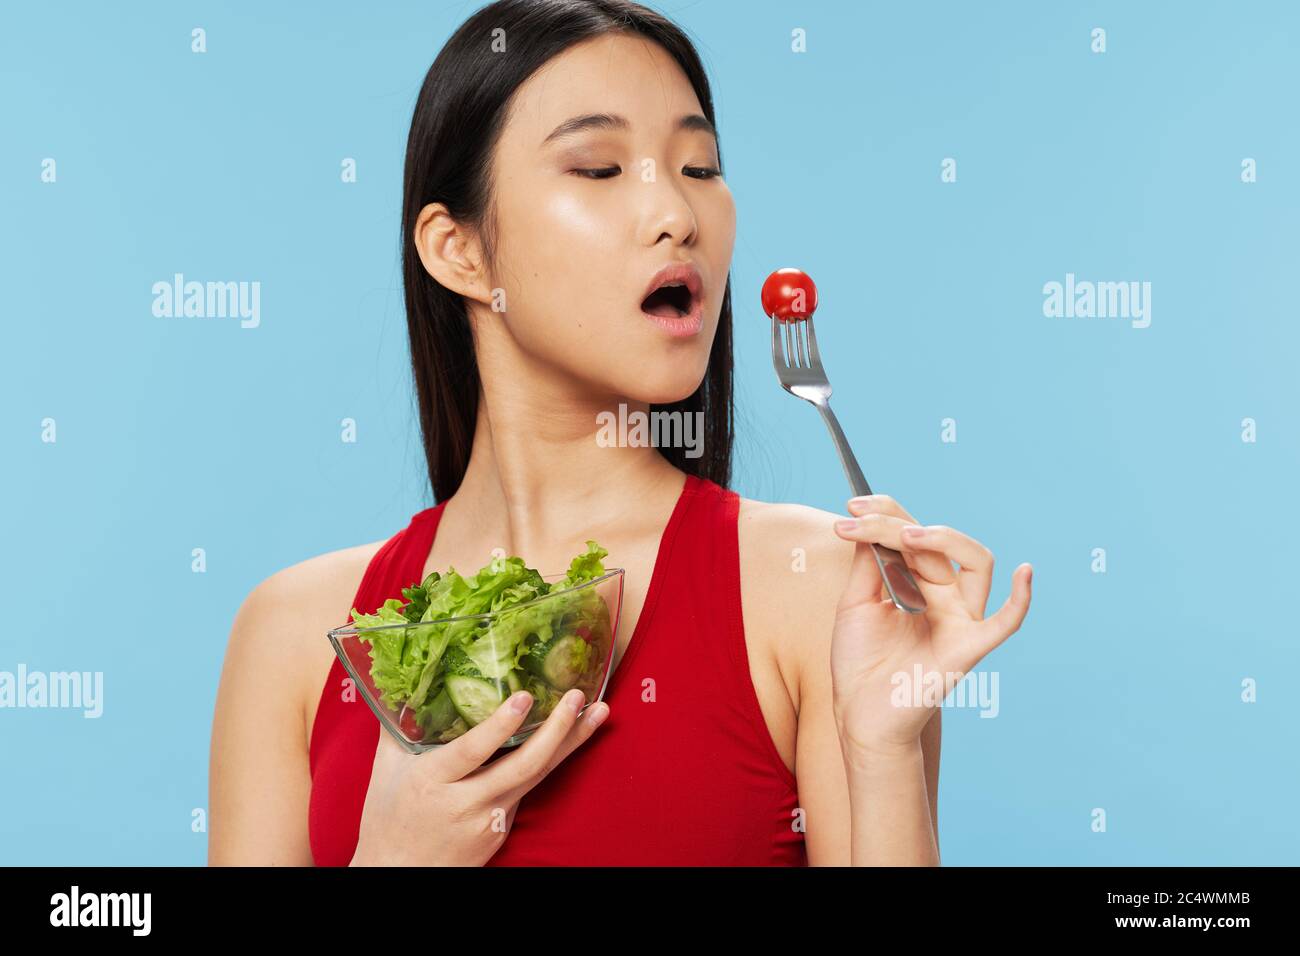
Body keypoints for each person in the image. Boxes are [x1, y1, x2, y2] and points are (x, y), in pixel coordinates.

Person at [208, 0, 1032, 867]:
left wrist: (885, 753)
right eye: (600, 168)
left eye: (700, 166)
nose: (676, 211)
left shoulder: (825, 596)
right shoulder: (295, 635)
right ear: (460, 251)